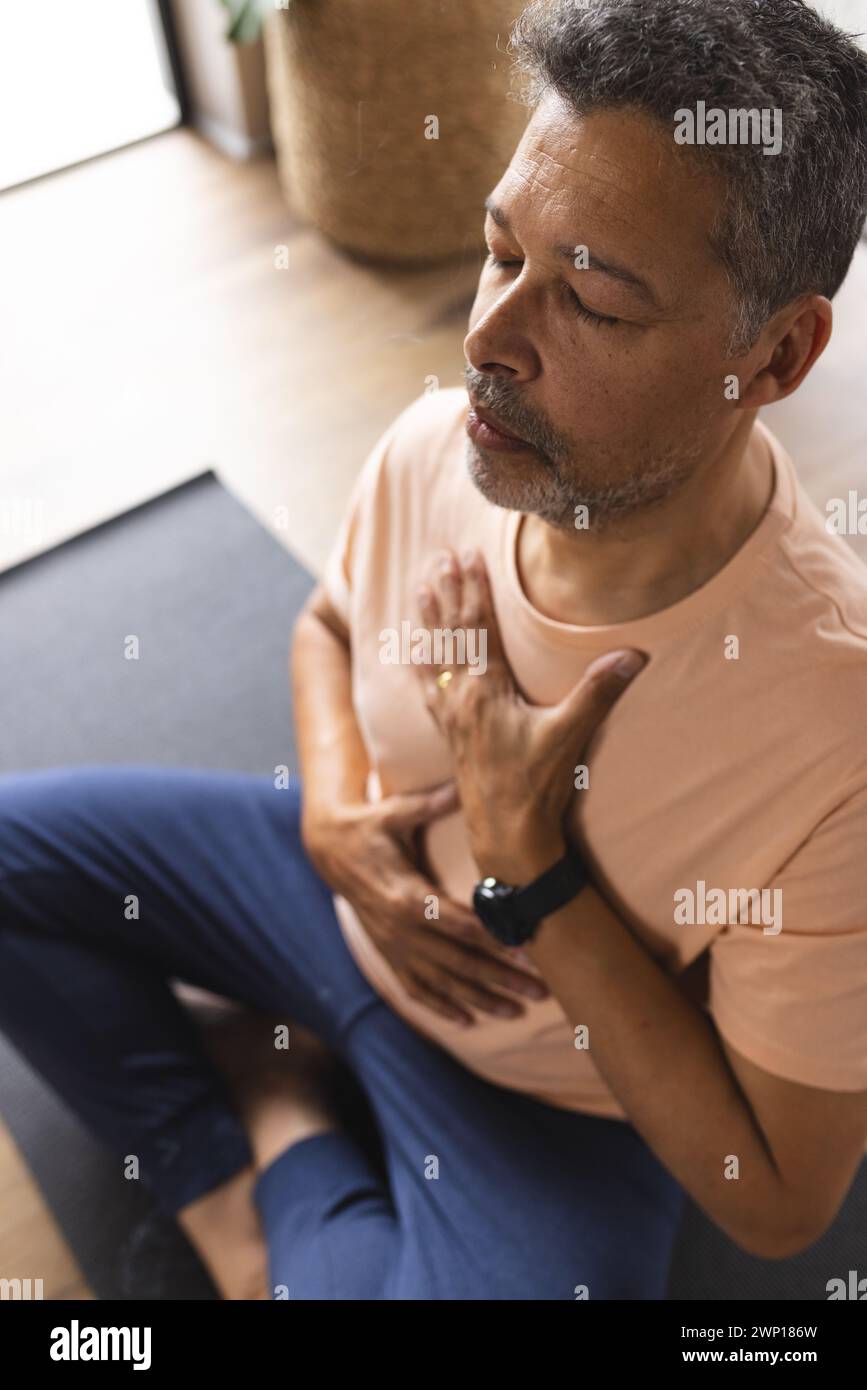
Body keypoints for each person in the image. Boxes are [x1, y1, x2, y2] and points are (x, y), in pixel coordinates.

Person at [2, 0, 867, 1300]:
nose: (486, 342)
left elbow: (782, 1200)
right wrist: (337, 813)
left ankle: (273, 1112)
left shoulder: (833, 724)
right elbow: (329, 622)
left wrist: (533, 873)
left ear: (777, 353)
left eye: (589, 301)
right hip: (341, 904)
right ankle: (243, 1200)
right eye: (498, 248)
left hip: (547, 1092)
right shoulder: (451, 444)